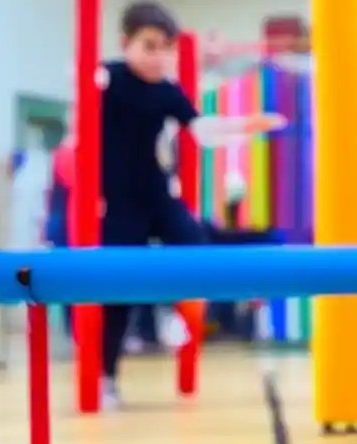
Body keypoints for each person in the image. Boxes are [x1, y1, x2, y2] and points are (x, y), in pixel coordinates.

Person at [97, 2, 278, 408]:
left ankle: (178, 316)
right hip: (117, 203)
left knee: (195, 245)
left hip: (156, 193)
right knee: (115, 292)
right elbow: (83, 90)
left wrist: (244, 126)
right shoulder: (108, 78)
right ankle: (106, 375)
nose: (159, 56)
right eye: (149, 46)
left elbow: (201, 129)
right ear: (125, 43)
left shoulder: (166, 91)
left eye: (166, 48)